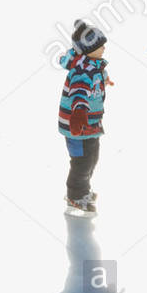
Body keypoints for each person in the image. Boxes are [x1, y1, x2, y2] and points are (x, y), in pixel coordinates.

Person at [59, 20, 111, 216]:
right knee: (81, 161)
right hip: (77, 125)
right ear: (88, 49)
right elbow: (79, 92)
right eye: (100, 45)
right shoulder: (82, 69)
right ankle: (75, 195)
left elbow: (97, 75)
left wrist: (105, 79)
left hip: (91, 124)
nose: (104, 47)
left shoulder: (94, 65)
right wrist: (79, 114)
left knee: (92, 158)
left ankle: (84, 190)